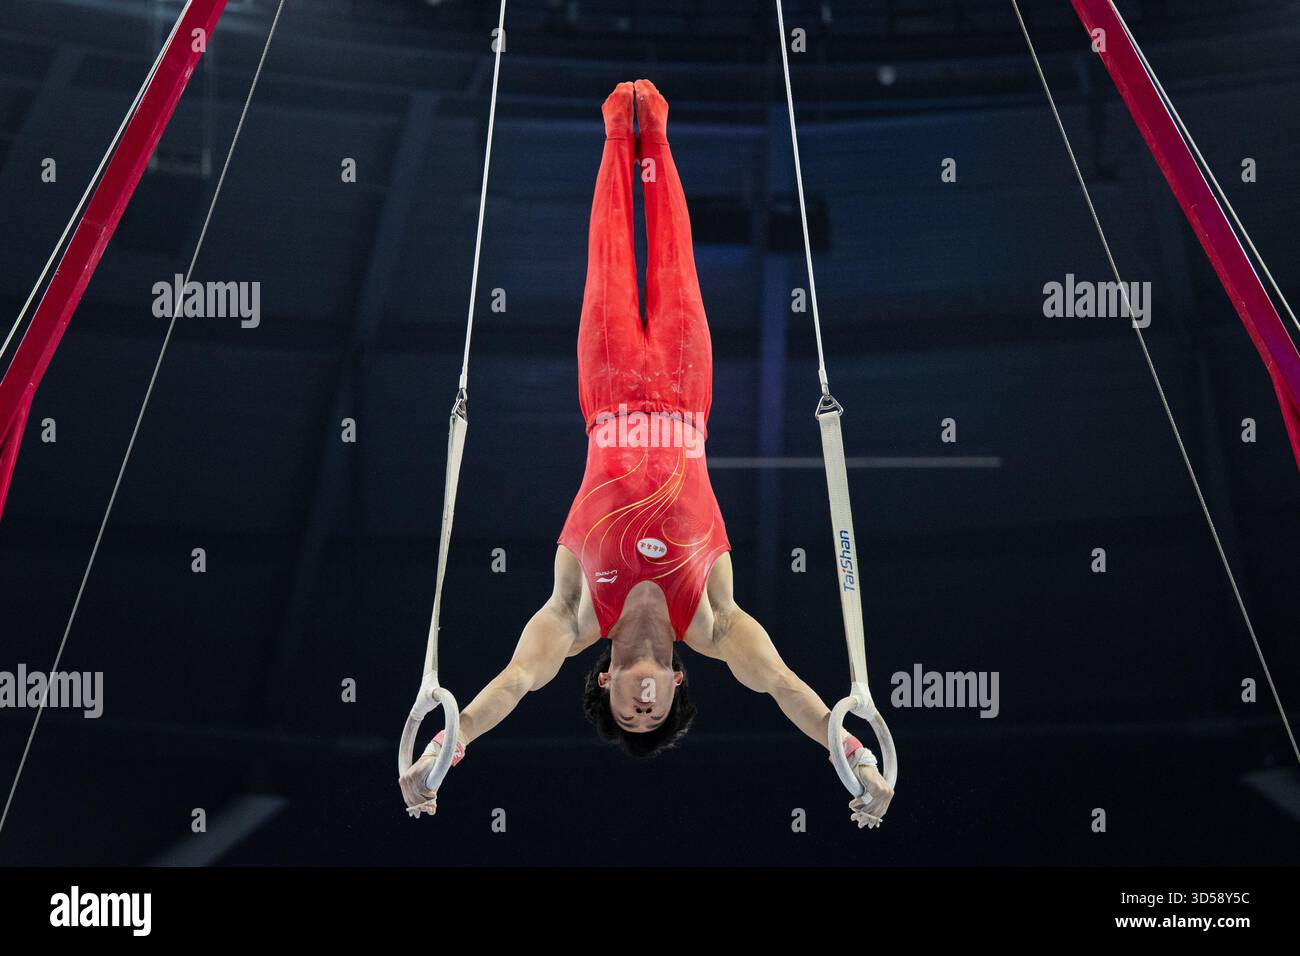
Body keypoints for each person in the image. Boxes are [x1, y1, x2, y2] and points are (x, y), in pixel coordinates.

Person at [399, 81, 893, 828]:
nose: (641, 704)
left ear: (601, 684)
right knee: (672, 259)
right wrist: (858, 762)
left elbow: (510, 684)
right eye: (654, 711)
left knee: (607, 254)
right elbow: (792, 691)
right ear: (675, 685)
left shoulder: (573, 616)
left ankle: (612, 131)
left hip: (606, 392)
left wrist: (442, 750)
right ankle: (653, 134)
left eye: (629, 714)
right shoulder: (716, 622)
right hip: (688, 391)